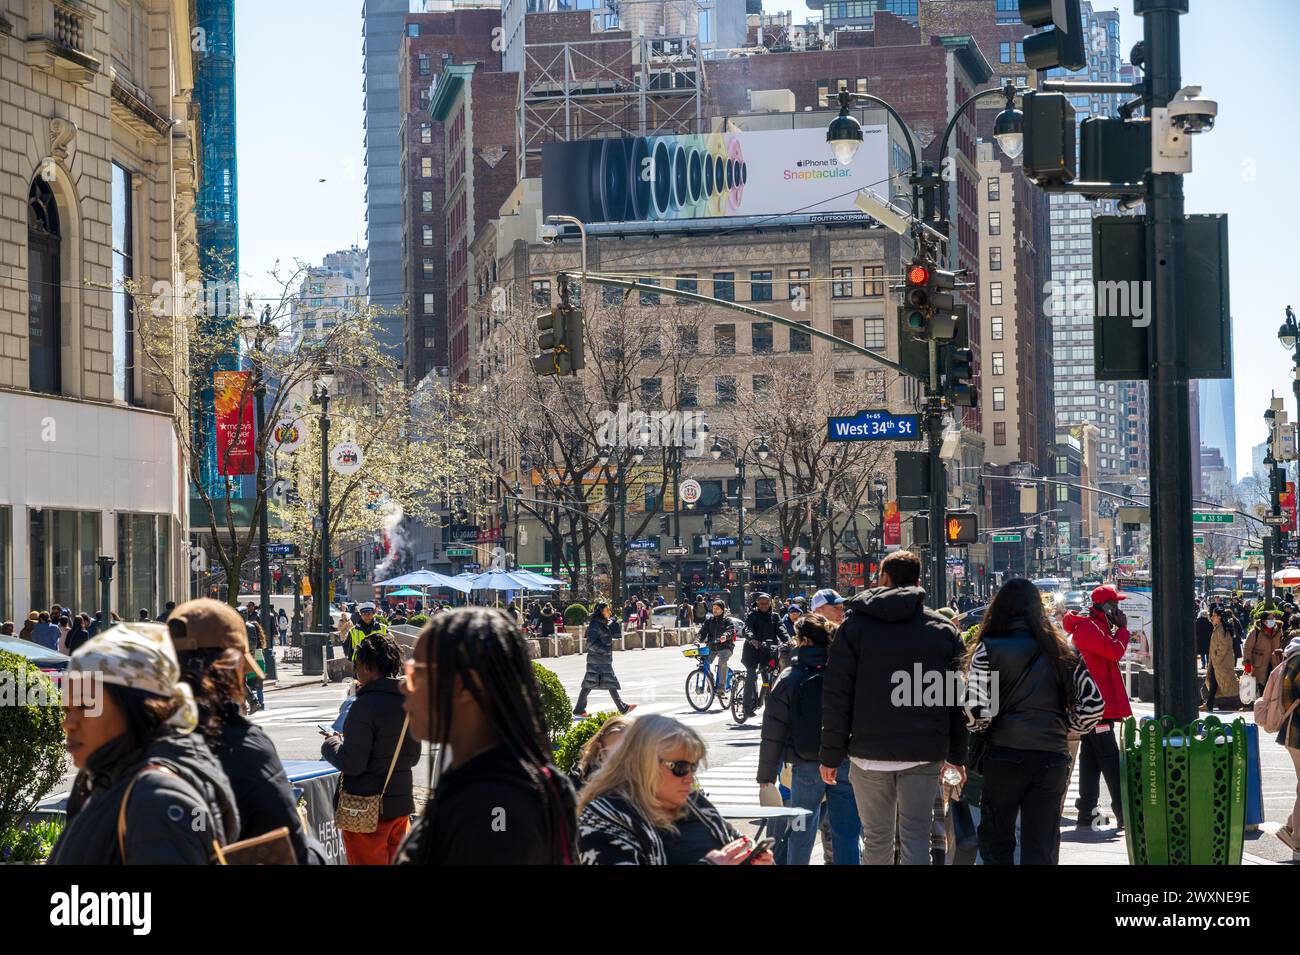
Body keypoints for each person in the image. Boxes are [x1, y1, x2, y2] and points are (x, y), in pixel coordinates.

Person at [395, 608, 578, 864]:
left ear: (466, 686)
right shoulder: (493, 783)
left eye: (417, 672)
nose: (403, 684)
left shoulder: (494, 805)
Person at [819, 550, 968, 866]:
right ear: (918, 581)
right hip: (923, 751)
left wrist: (830, 755)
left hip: (867, 752)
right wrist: (957, 756)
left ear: (883, 579)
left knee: (877, 838)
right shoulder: (942, 630)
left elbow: (837, 696)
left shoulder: (854, 629)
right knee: (917, 836)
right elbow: (956, 700)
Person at [48, 621, 241, 864]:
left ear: (135, 706)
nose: (69, 723)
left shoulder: (158, 798)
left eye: (86, 705)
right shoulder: (106, 779)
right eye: (66, 708)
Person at [964, 579, 1105, 865]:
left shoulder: (988, 648)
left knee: (996, 841)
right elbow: (1094, 705)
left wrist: (989, 728)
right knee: (1041, 845)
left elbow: (976, 712)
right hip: (1051, 757)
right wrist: (1066, 728)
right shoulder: (1063, 649)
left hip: (1003, 756)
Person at [168, 598, 318, 864]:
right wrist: (308, 839)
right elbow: (293, 855)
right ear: (233, 668)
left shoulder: (137, 737)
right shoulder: (243, 746)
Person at [577, 714, 773, 865]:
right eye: (679, 767)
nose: (690, 778)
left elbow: (735, 840)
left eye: (693, 767)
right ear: (644, 764)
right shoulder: (603, 816)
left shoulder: (693, 802)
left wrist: (753, 857)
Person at [757, 613, 859, 865]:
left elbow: (773, 731)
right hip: (843, 759)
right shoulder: (844, 672)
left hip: (806, 765)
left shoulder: (790, 677)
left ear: (802, 641)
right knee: (847, 832)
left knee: (801, 833)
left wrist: (766, 776)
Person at [321, 632, 421, 865]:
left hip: (366, 808)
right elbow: (413, 757)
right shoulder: (409, 703)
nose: (355, 671)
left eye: (356, 665)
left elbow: (352, 764)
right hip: (400, 805)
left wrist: (331, 742)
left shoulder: (363, 706)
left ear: (367, 666)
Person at [1062, 584, 1132, 830]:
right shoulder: (1088, 628)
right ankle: (1124, 812)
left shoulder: (1095, 625)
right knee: (1110, 760)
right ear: (1106, 607)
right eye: (1116, 605)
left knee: (1091, 760)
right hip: (1095, 706)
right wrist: (1122, 630)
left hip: (1097, 706)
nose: (1119, 610)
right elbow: (1114, 652)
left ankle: (1087, 812)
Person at [574, 602, 636, 717]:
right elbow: (590, 643)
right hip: (598, 659)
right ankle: (622, 708)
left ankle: (579, 709)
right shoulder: (595, 625)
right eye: (607, 610)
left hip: (600, 659)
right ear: (601, 611)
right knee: (608, 681)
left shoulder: (601, 623)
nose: (609, 612)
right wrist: (605, 650)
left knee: (590, 682)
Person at [1272, 634, 1300, 853]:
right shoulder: (1298, 659)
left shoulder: (1294, 657)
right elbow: (1289, 697)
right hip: (1297, 731)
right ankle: (1297, 838)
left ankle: (1291, 825)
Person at [742, 593, 784, 719]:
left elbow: (782, 630)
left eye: (766, 603)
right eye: (761, 603)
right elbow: (747, 629)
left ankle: (766, 701)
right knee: (751, 676)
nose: (764, 606)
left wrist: (788, 640)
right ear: (757, 604)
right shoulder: (752, 615)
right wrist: (752, 639)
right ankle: (746, 706)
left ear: (770, 603)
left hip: (768, 652)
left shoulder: (775, 617)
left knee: (770, 677)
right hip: (752, 651)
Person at [697, 598, 745, 702]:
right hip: (712, 646)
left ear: (722, 610)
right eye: (714, 608)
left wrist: (725, 636)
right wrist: (697, 640)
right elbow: (702, 632)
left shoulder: (727, 620)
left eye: (717, 608)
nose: (715, 610)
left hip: (726, 646)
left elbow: (731, 631)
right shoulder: (709, 621)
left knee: (722, 661)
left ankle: (721, 687)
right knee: (704, 661)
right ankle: (710, 681)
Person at [567, 714, 631, 792]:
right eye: (614, 751)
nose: (622, 758)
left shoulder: (639, 777)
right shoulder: (579, 776)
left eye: (628, 750)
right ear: (600, 748)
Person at [1203, 605, 1242, 712]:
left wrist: (1216, 658)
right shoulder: (1219, 628)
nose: (1212, 618)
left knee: (1229, 683)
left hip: (1221, 662)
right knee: (1214, 682)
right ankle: (1209, 704)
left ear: (1219, 617)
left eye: (1214, 615)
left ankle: (1242, 701)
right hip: (1218, 663)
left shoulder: (1222, 629)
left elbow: (1223, 646)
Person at [1244, 610, 1286, 693]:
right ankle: (1261, 705)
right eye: (1270, 619)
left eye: (1273, 618)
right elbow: (1247, 648)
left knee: (1274, 688)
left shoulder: (1278, 631)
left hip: (1275, 663)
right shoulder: (1255, 631)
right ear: (1263, 621)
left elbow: (1282, 644)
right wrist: (1247, 663)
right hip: (1260, 665)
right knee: (1262, 688)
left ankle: (1270, 705)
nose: (1272, 620)